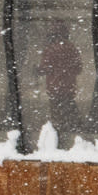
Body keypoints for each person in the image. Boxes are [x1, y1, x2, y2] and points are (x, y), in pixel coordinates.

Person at [38, 20, 84, 149]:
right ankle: (75, 129)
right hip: (69, 86)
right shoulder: (72, 48)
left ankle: (59, 138)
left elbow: (44, 68)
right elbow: (79, 68)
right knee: (70, 106)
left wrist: (37, 70)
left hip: (54, 86)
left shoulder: (50, 50)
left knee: (57, 111)